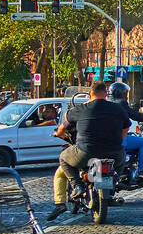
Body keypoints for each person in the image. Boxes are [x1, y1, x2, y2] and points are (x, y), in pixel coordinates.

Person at [47, 81, 129, 221]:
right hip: (114, 153)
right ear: (106, 94)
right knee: (121, 159)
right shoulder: (118, 109)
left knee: (63, 158)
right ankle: (113, 185)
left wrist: (59, 134)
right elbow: (126, 128)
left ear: (90, 93)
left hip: (86, 153)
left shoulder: (80, 109)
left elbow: (62, 128)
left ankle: (77, 186)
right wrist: (117, 142)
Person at [109, 81, 143, 185]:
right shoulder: (121, 104)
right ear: (121, 93)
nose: (126, 95)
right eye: (125, 93)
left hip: (105, 140)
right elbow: (135, 115)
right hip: (118, 138)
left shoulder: (107, 103)